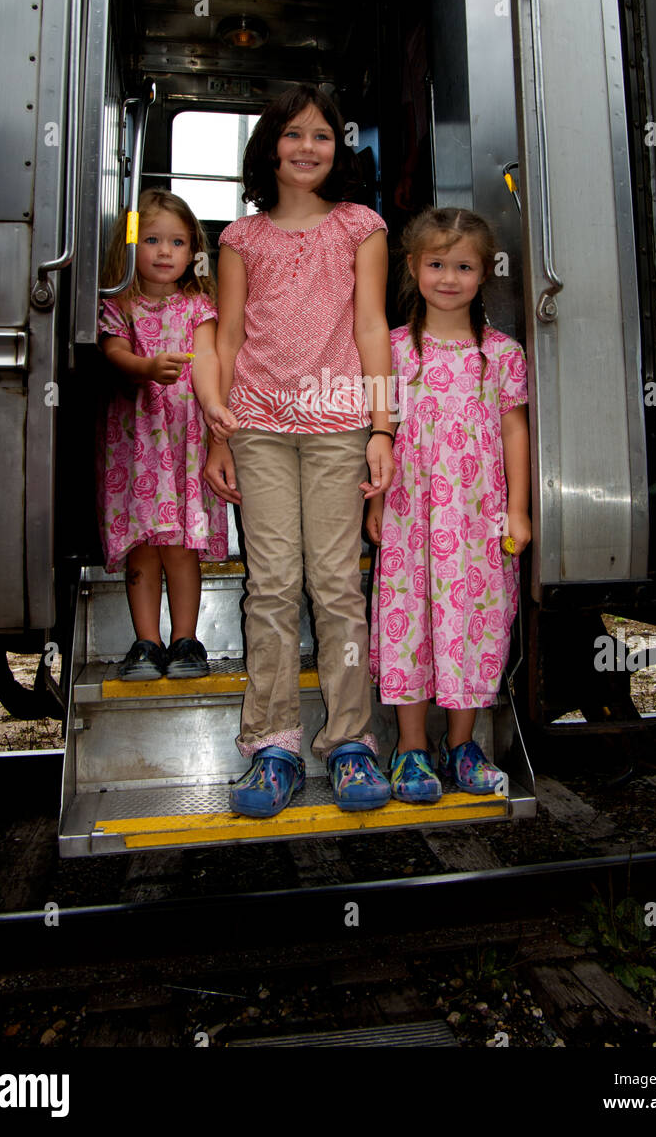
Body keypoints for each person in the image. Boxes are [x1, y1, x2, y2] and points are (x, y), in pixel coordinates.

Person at [205, 84, 395, 817]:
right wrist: (216, 437)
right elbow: (225, 339)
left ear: (338, 148)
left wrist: (384, 426)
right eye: (293, 135)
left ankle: (351, 742)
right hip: (254, 427)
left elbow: (373, 327)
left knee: (338, 588)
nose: (309, 147)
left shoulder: (360, 227)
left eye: (323, 135)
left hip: (340, 424)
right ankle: (274, 744)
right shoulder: (240, 239)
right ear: (269, 148)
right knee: (274, 586)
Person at [366, 207, 530, 802]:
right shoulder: (389, 350)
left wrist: (519, 509)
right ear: (413, 267)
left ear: (484, 273)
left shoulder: (503, 355)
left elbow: (514, 431)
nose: (449, 277)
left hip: (478, 515)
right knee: (408, 619)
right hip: (412, 510)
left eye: (464, 266)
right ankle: (411, 749)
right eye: (437, 264)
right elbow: (376, 430)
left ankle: (461, 746)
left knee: (474, 621)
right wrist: (376, 501)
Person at [97, 189, 236, 680]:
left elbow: (207, 363)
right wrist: (147, 366)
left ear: (192, 251)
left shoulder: (198, 306)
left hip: (182, 439)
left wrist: (216, 406)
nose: (163, 252)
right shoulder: (119, 306)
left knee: (180, 544)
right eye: (152, 240)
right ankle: (145, 642)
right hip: (136, 443)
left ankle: (185, 640)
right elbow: (113, 355)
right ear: (131, 246)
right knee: (143, 542)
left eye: (177, 242)